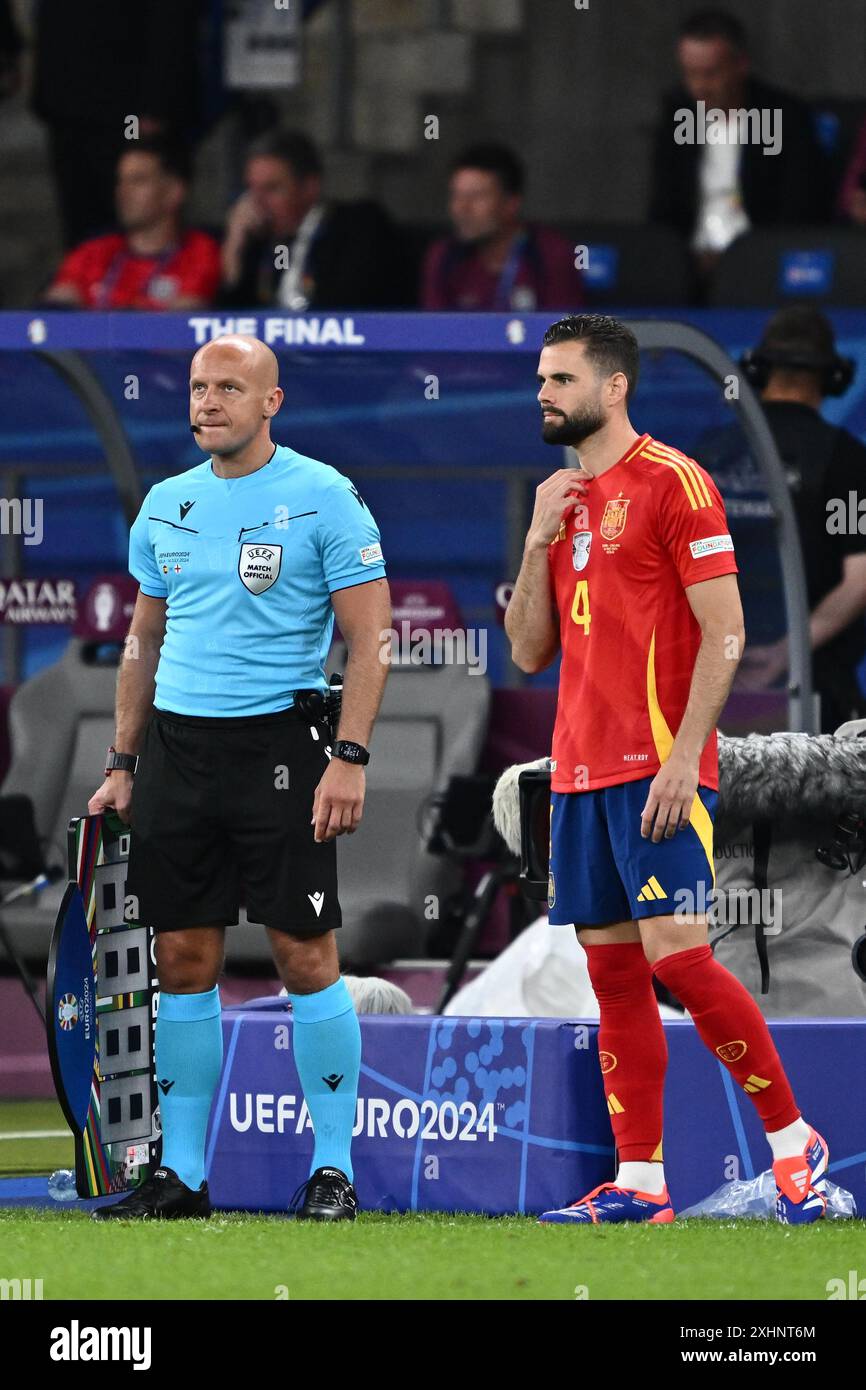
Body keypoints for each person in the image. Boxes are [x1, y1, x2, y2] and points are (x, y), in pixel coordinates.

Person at [505, 312, 829, 1225]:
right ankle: (640, 1183)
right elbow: (528, 652)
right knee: (611, 976)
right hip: (576, 773)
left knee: (678, 957)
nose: (543, 394)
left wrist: (689, 757)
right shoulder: (559, 504)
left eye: (560, 380)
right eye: (539, 380)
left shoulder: (675, 482)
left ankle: (791, 1136)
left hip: (658, 768)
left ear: (613, 388)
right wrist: (535, 542)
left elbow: (727, 630)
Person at [87, 334, 391, 1221]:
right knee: (181, 958)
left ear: (271, 402)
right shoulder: (166, 504)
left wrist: (349, 757)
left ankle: (331, 1171)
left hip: (282, 755)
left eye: (229, 387)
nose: (207, 402)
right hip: (179, 753)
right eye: (197, 387)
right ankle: (182, 1176)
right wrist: (122, 762)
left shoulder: (323, 496)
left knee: (302, 953)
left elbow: (371, 642)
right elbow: (142, 643)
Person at [719, 307, 866, 732]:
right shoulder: (848, 461)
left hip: (711, 690)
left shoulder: (710, 453)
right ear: (833, 377)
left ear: (759, 369)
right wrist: (787, 653)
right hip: (815, 701)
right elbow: (858, 578)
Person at [649, 10, 827, 272]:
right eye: (690, 74)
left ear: (740, 65)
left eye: (710, 74)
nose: (699, 86)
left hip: (761, 264)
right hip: (688, 267)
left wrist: (742, 259)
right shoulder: (678, 115)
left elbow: (798, 209)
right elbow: (663, 208)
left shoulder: (781, 115)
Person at [31, 0, 202, 248]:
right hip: (66, 103)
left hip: (129, 105)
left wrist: (158, 103)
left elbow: (172, 17)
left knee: (139, 208)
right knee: (80, 217)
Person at [220, 129, 405, 309]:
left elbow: (350, 304)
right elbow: (231, 320)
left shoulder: (357, 226)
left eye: (271, 188)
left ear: (310, 187)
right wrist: (233, 248)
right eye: (252, 189)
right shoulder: (256, 241)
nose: (257, 201)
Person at [41, 139, 221, 311]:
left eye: (138, 181)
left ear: (174, 191)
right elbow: (53, 315)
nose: (123, 192)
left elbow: (186, 322)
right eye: (121, 180)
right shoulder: (92, 252)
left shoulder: (199, 251)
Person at [420, 144, 582, 312]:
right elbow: (434, 331)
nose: (462, 208)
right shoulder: (443, 256)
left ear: (511, 203)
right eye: (456, 196)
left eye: (476, 196)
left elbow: (567, 333)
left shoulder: (552, 254)